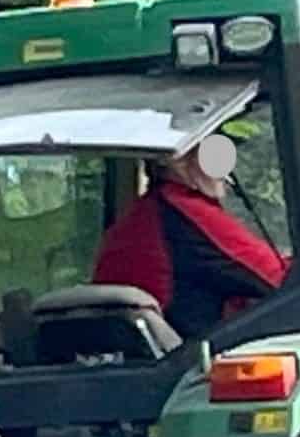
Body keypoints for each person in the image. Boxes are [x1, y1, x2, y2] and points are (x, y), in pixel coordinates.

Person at [92, 132, 288, 339]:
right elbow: (280, 280)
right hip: (185, 357)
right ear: (176, 160)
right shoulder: (184, 209)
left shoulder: (143, 214)